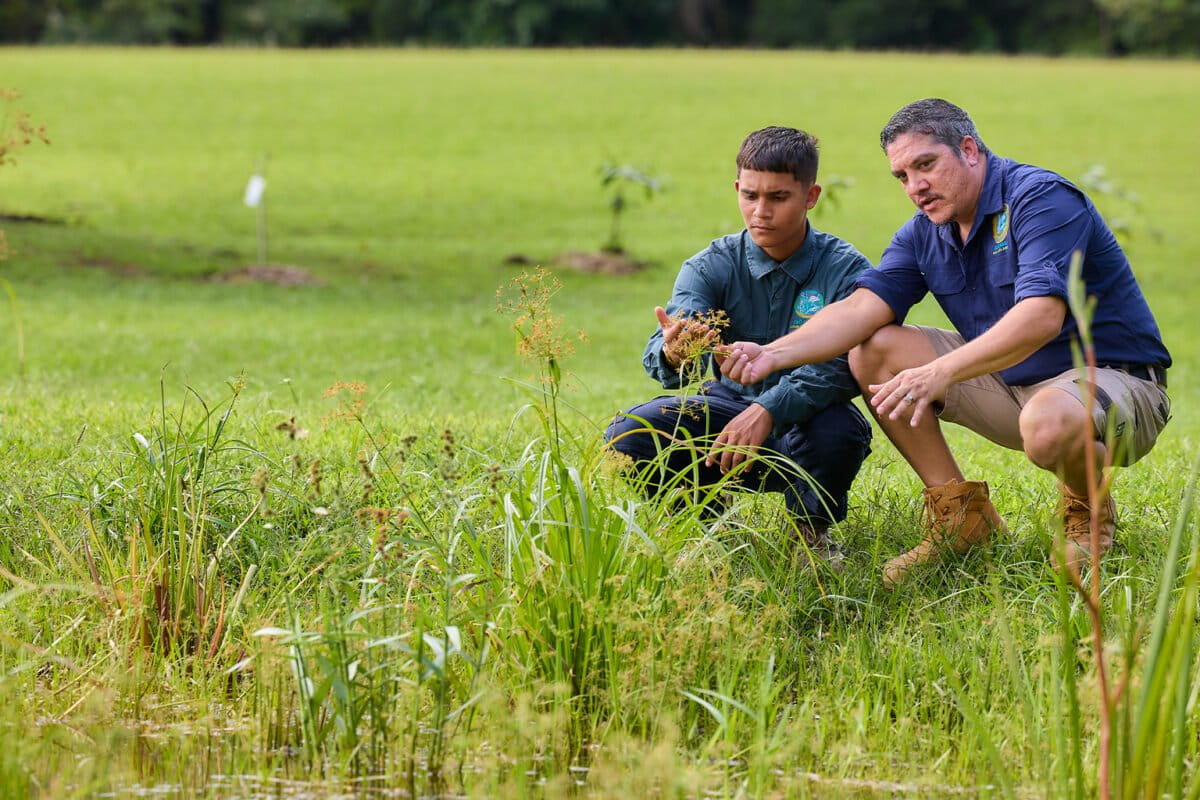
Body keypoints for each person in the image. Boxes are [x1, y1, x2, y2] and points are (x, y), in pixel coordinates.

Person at [720, 99, 1171, 587]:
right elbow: (858, 311)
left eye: (925, 165)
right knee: (873, 350)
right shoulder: (923, 234)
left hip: (1117, 385)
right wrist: (773, 353)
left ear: (970, 150)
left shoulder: (1040, 198)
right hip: (1016, 387)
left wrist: (941, 371)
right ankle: (962, 519)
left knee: (1047, 423)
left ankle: (1088, 510)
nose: (915, 187)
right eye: (902, 176)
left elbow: (1041, 317)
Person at [605, 126, 873, 564]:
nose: (760, 211)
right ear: (737, 190)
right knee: (630, 433)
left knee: (838, 431)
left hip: (810, 420)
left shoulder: (845, 269)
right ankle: (702, 530)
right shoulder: (711, 265)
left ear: (811, 196)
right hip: (726, 415)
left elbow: (845, 366)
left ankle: (811, 538)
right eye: (750, 196)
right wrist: (676, 350)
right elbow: (669, 345)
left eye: (778, 198)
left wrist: (769, 410)